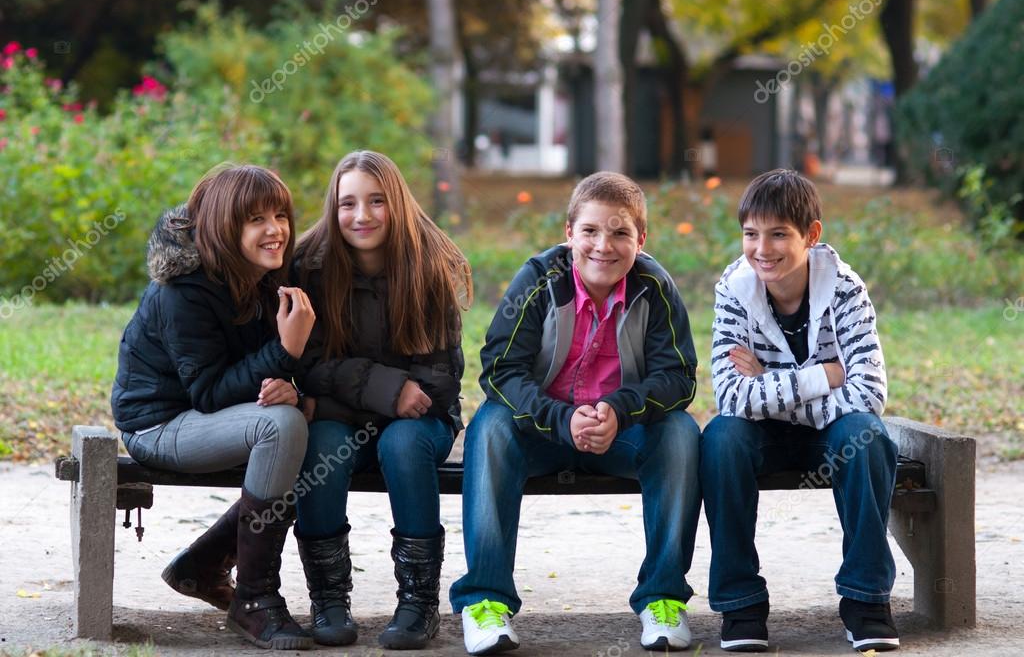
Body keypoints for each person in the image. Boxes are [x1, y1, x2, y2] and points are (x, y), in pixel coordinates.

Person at [450, 171, 702, 654]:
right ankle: (485, 601)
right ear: (569, 234)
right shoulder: (539, 278)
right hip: (543, 430)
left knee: (680, 433)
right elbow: (501, 369)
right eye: (589, 231)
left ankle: (663, 598)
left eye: (620, 232)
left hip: (620, 434)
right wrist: (561, 419)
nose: (603, 246)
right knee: (490, 427)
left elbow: (679, 376)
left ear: (641, 239)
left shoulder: (654, 287)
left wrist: (618, 411)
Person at [110, 164, 317, 650]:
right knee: (281, 428)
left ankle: (202, 565)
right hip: (159, 424)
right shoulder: (184, 289)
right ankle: (255, 598)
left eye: (280, 215)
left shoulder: (268, 273)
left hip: (217, 417)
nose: (276, 230)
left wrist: (293, 386)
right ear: (226, 228)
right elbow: (208, 392)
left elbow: (284, 365)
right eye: (256, 220)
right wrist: (284, 354)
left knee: (309, 425)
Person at [702, 169, 898, 652]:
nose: (761, 249)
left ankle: (866, 598)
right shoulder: (734, 290)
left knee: (867, 435)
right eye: (750, 234)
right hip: (759, 434)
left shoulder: (847, 291)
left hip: (830, 433)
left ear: (811, 235)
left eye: (778, 235)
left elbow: (869, 392)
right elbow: (730, 397)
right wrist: (823, 377)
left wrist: (767, 389)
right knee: (721, 438)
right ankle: (740, 603)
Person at [291, 150, 471, 650]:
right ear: (333, 208)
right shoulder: (310, 268)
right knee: (322, 444)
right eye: (348, 203)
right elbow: (306, 365)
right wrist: (387, 391)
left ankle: (418, 604)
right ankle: (329, 599)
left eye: (375, 201)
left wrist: (368, 399)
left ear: (396, 203)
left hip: (423, 420)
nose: (362, 215)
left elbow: (437, 385)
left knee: (403, 444)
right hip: (341, 421)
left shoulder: (429, 266)